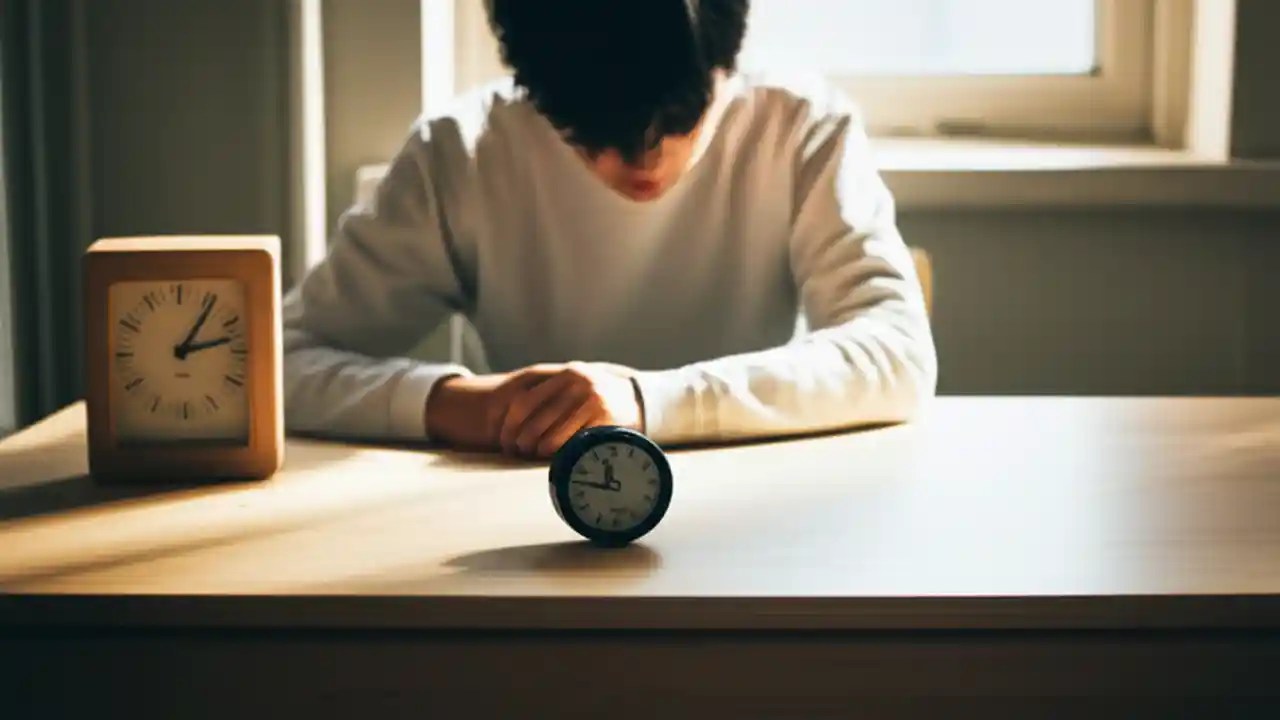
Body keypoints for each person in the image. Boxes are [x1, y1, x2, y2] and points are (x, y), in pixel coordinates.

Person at [282, 0, 937, 459]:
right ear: (533, 90)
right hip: (526, 519)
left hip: (759, 503)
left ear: (724, 64)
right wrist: (456, 405)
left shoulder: (799, 127)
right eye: (592, 135)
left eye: (677, 120)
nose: (641, 161)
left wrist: (645, 402)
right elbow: (281, 362)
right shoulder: (461, 153)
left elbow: (897, 354)